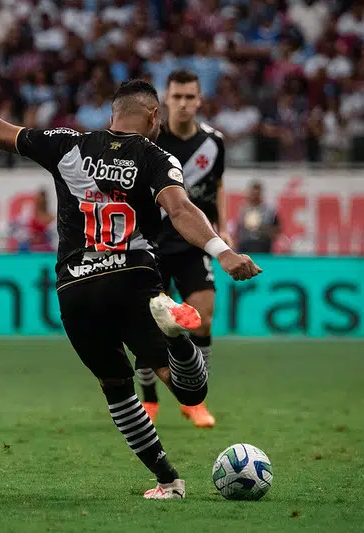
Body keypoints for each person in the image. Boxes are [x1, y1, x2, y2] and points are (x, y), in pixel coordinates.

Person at [0, 71, 261, 499]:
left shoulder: (66, 143)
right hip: (133, 282)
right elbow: (181, 209)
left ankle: (168, 481)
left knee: (116, 389)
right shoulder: (155, 156)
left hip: (75, 289)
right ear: (152, 114)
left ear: (113, 113)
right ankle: (177, 338)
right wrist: (222, 252)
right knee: (192, 390)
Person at [135, 70, 231, 429]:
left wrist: (222, 230)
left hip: (193, 243)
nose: (184, 104)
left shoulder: (214, 143)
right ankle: (149, 400)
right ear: (165, 99)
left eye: (190, 97)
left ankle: (196, 400)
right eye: (177, 97)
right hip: (152, 244)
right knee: (148, 324)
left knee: (204, 316)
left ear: (200, 100)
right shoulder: (150, 141)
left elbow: (216, 187)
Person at [235, 181, 281, 254]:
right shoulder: (243, 210)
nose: (254, 196)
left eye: (257, 193)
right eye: (252, 193)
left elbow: (277, 230)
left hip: (263, 245)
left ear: (260, 194)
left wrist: (260, 227)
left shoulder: (269, 211)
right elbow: (238, 230)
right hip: (245, 246)